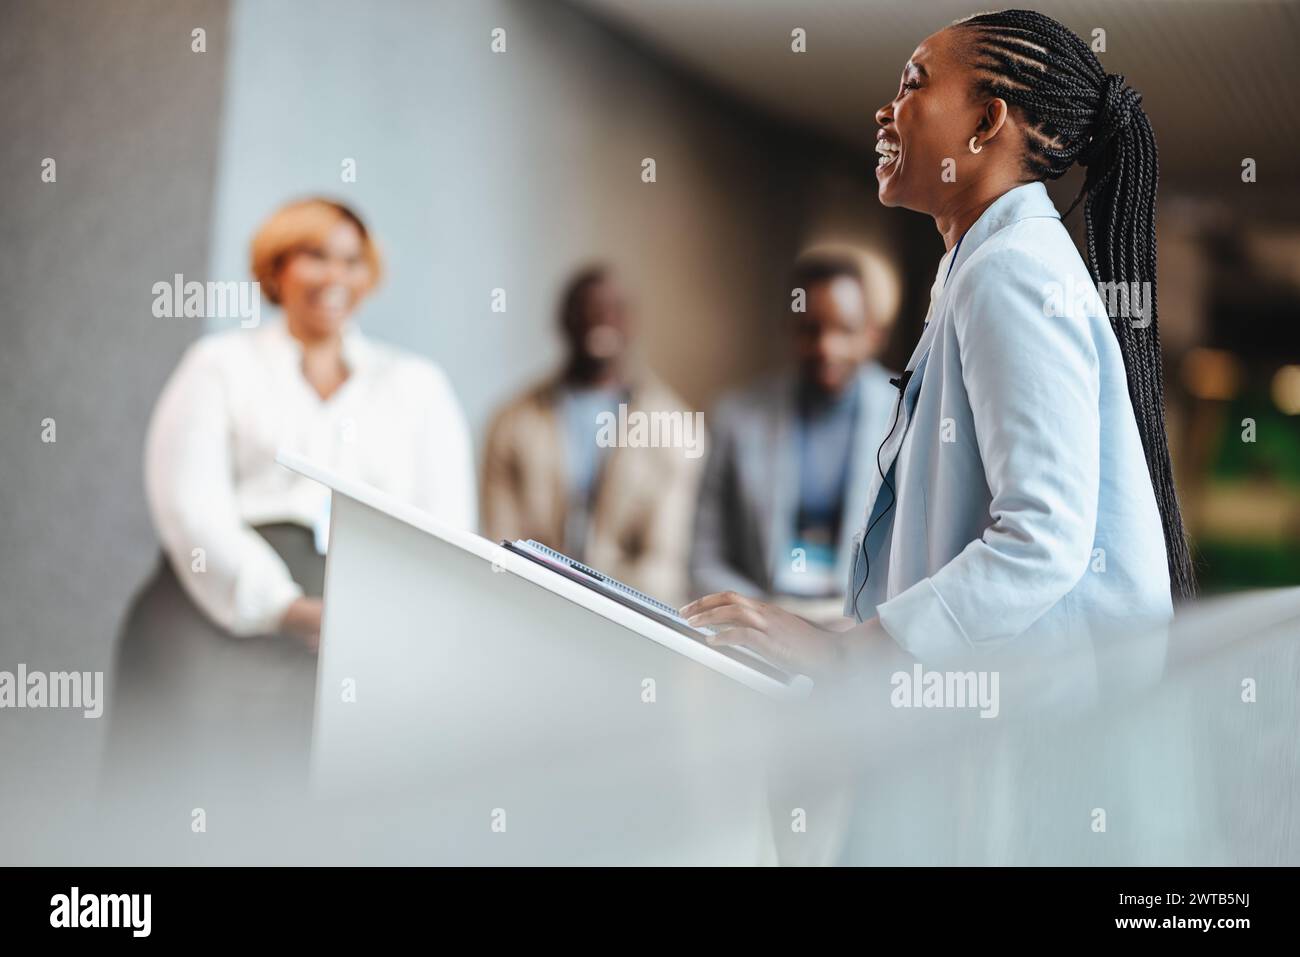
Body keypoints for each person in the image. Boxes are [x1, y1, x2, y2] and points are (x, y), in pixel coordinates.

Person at [682, 10, 1192, 687]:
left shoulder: (1013, 270)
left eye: (913, 84)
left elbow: (1042, 541)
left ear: (986, 124)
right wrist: (838, 638)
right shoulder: (986, 264)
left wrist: (846, 655)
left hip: (1042, 740)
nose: (884, 111)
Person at [109, 197, 474, 786]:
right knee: (185, 809)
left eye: (353, 261)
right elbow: (190, 509)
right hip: (217, 618)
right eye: (315, 256)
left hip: (365, 639)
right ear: (276, 267)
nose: (336, 277)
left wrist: (377, 628)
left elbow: (449, 532)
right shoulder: (220, 366)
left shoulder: (417, 387)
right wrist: (288, 608)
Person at [690, 249, 898, 623]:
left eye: (844, 330)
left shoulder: (903, 416)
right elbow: (705, 553)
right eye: (810, 329)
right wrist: (761, 615)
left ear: (871, 335)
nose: (825, 346)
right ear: (790, 328)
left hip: (860, 630)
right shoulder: (737, 417)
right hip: (756, 620)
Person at [481, 265, 703, 607]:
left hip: (632, 617)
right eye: (584, 307)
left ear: (632, 323)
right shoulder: (511, 423)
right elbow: (499, 545)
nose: (599, 318)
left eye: (613, 309)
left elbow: (664, 565)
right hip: (527, 604)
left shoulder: (677, 428)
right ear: (562, 320)